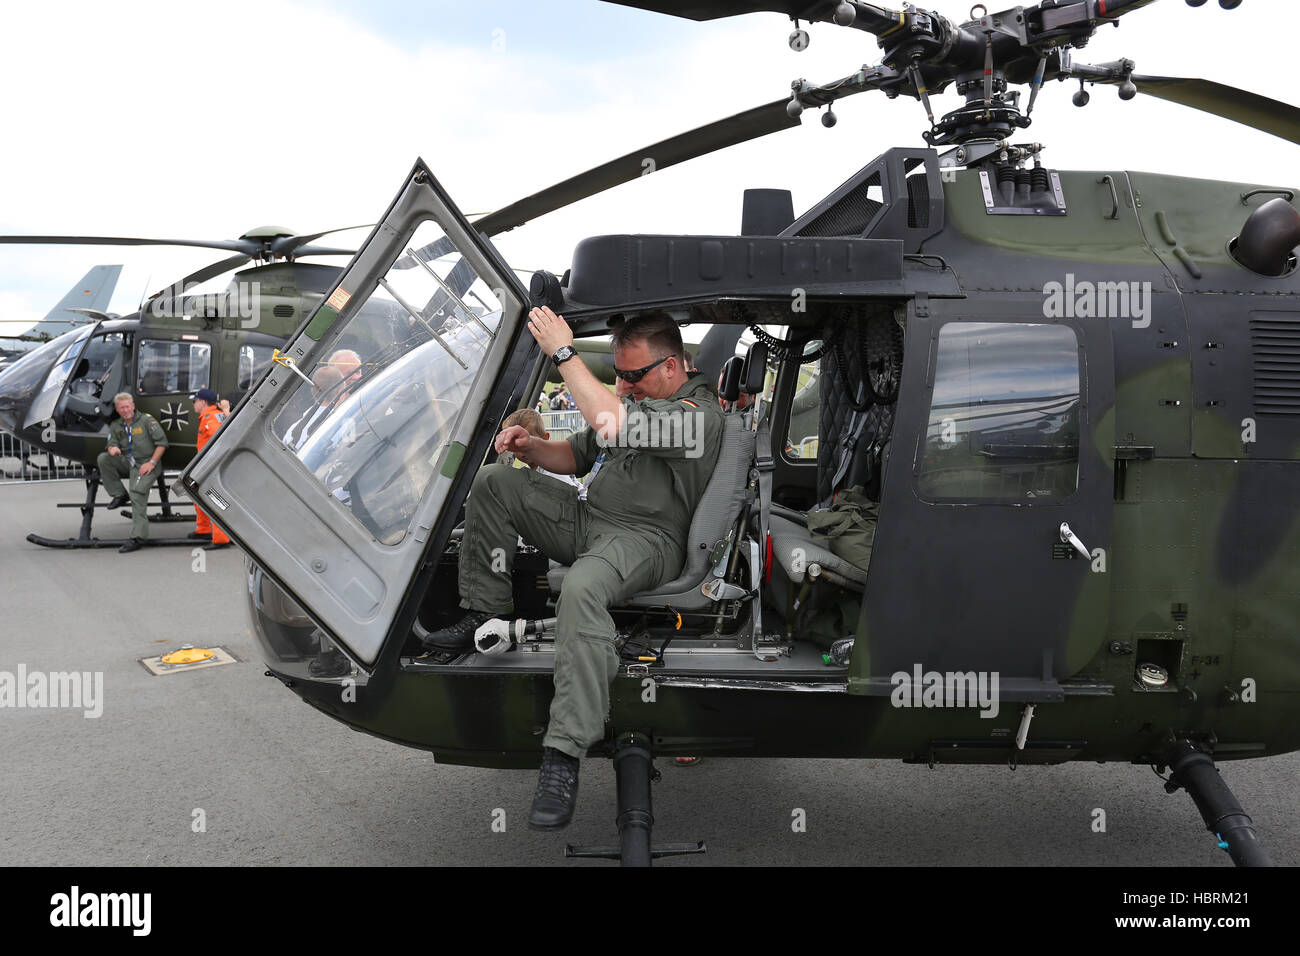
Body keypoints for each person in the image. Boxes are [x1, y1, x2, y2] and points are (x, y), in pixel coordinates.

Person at [420, 308, 724, 829]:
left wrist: (564, 353)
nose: (623, 386)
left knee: (583, 585)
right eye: (618, 377)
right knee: (496, 481)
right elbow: (576, 455)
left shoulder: (698, 415)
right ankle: (483, 610)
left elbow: (613, 421)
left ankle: (563, 753)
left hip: (645, 540)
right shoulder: (634, 400)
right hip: (589, 519)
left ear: (673, 367)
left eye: (633, 376)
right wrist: (533, 448)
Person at [96, 392, 169, 553]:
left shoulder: (146, 421)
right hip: (127, 461)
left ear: (133, 406)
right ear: (117, 409)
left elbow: (162, 443)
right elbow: (111, 443)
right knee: (103, 458)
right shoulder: (116, 425)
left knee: (137, 493)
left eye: (127, 406)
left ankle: (138, 537)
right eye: (121, 407)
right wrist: (112, 448)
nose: (125, 410)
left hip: (147, 463)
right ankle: (119, 494)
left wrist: (151, 463)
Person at [498, 408, 582, 489]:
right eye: (517, 445)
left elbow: (570, 496)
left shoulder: (552, 470)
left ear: (545, 438)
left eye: (526, 443)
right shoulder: (531, 471)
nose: (522, 451)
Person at [190, 387, 231, 550]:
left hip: (210, 466)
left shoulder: (210, 417)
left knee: (212, 499)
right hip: (207, 465)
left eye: (195, 401)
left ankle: (220, 539)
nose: (193, 404)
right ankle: (204, 529)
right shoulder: (213, 415)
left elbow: (219, 439)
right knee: (197, 494)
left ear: (202, 402)